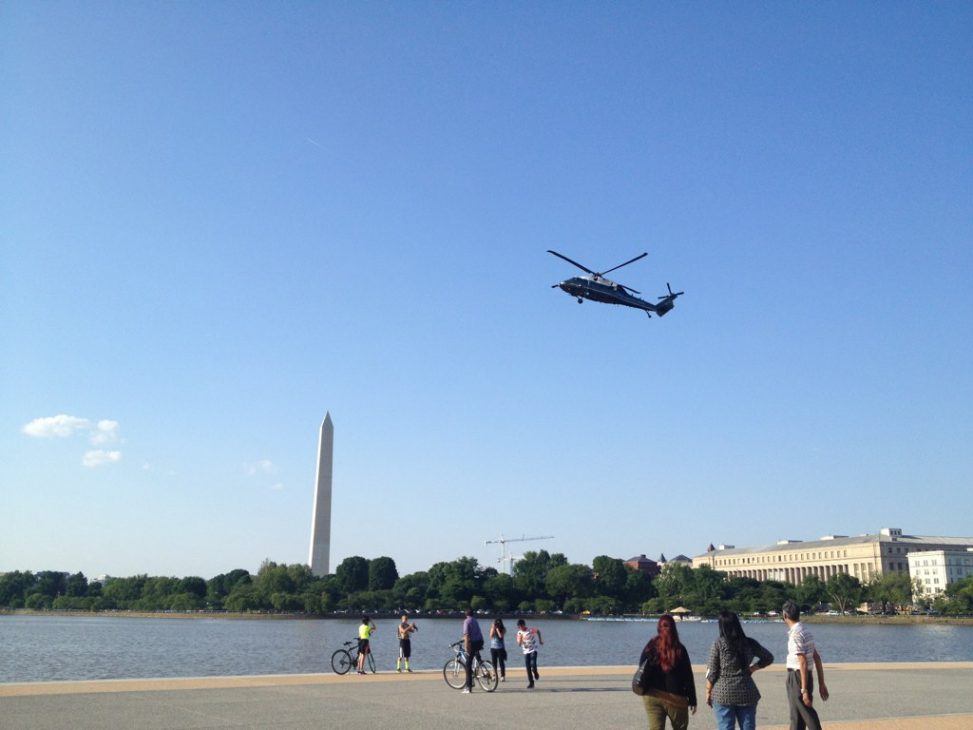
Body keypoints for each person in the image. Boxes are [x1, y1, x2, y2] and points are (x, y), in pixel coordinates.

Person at [705, 610, 774, 730]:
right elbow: (768, 657)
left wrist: (708, 691)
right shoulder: (750, 643)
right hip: (746, 691)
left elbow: (712, 671)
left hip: (723, 693)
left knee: (725, 727)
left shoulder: (719, 644)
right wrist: (753, 668)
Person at [636, 614, 697, 730]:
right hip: (676, 697)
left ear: (658, 628)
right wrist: (692, 700)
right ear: (674, 629)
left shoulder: (650, 646)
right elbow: (688, 676)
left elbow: (641, 667)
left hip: (652, 695)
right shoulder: (680, 649)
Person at [782, 600, 829, 730]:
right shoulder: (805, 631)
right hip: (805, 676)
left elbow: (802, 661)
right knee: (797, 716)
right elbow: (816, 658)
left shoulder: (796, 634)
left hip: (797, 677)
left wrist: (804, 690)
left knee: (806, 710)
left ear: (785, 615)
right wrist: (821, 683)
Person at [515, 618, 543, 689]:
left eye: (520, 626)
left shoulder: (530, 630)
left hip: (533, 649)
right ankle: (531, 683)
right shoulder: (519, 633)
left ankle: (535, 672)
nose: (520, 628)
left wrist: (540, 640)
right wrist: (520, 639)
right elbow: (519, 644)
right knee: (528, 667)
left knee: (533, 664)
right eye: (518, 626)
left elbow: (538, 631)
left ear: (524, 625)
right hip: (526, 651)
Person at [462, 608, 484, 694]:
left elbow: (466, 635)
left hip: (473, 643)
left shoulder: (466, 621)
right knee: (476, 655)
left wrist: (466, 646)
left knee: (468, 664)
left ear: (466, 614)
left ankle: (469, 687)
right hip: (479, 641)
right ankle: (481, 665)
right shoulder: (475, 620)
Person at [489, 618, 507, 682]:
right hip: (493, 648)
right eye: (496, 623)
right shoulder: (493, 628)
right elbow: (490, 636)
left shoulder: (503, 629)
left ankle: (502, 676)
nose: (497, 624)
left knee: (501, 662)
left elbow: (500, 636)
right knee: (494, 662)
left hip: (500, 648)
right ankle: (494, 675)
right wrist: (493, 628)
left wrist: (497, 629)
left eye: (498, 623)